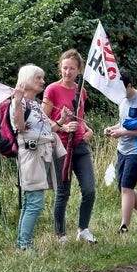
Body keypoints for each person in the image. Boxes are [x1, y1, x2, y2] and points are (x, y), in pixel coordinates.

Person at [42, 49, 97, 244]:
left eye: (72, 69)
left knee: (89, 189)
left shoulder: (81, 90)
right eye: (65, 68)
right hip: (61, 147)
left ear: (79, 70)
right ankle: (60, 234)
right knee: (63, 191)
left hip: (80, 145)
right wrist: (63, 126)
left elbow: (79, 118)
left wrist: (88, 130)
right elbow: (42, 121)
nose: (67, 72)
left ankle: (83, 229)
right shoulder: (52, 90)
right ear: (60, 68)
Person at [12, 65, 65, 251]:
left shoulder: (35, 104)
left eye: (42, 78)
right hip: (30, 155)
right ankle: (25, 245)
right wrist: (17, 102)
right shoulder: (21, 102)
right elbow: (19, 126)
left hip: (41, 154)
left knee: (31, 201)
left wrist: (62, 120)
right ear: (27, 79)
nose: (42, 81)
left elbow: (46, 130)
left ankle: (23, 243)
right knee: (34, 201)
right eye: (38, 78)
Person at [104, 71, 137, 232]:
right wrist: (112, 129)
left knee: (127, 187)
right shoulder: (122, 100)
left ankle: (124, 226)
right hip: (122, 149)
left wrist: (123, 132)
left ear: (129, 85)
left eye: (122, 90)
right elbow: (123, 123)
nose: (120, 94)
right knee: (123, 187)